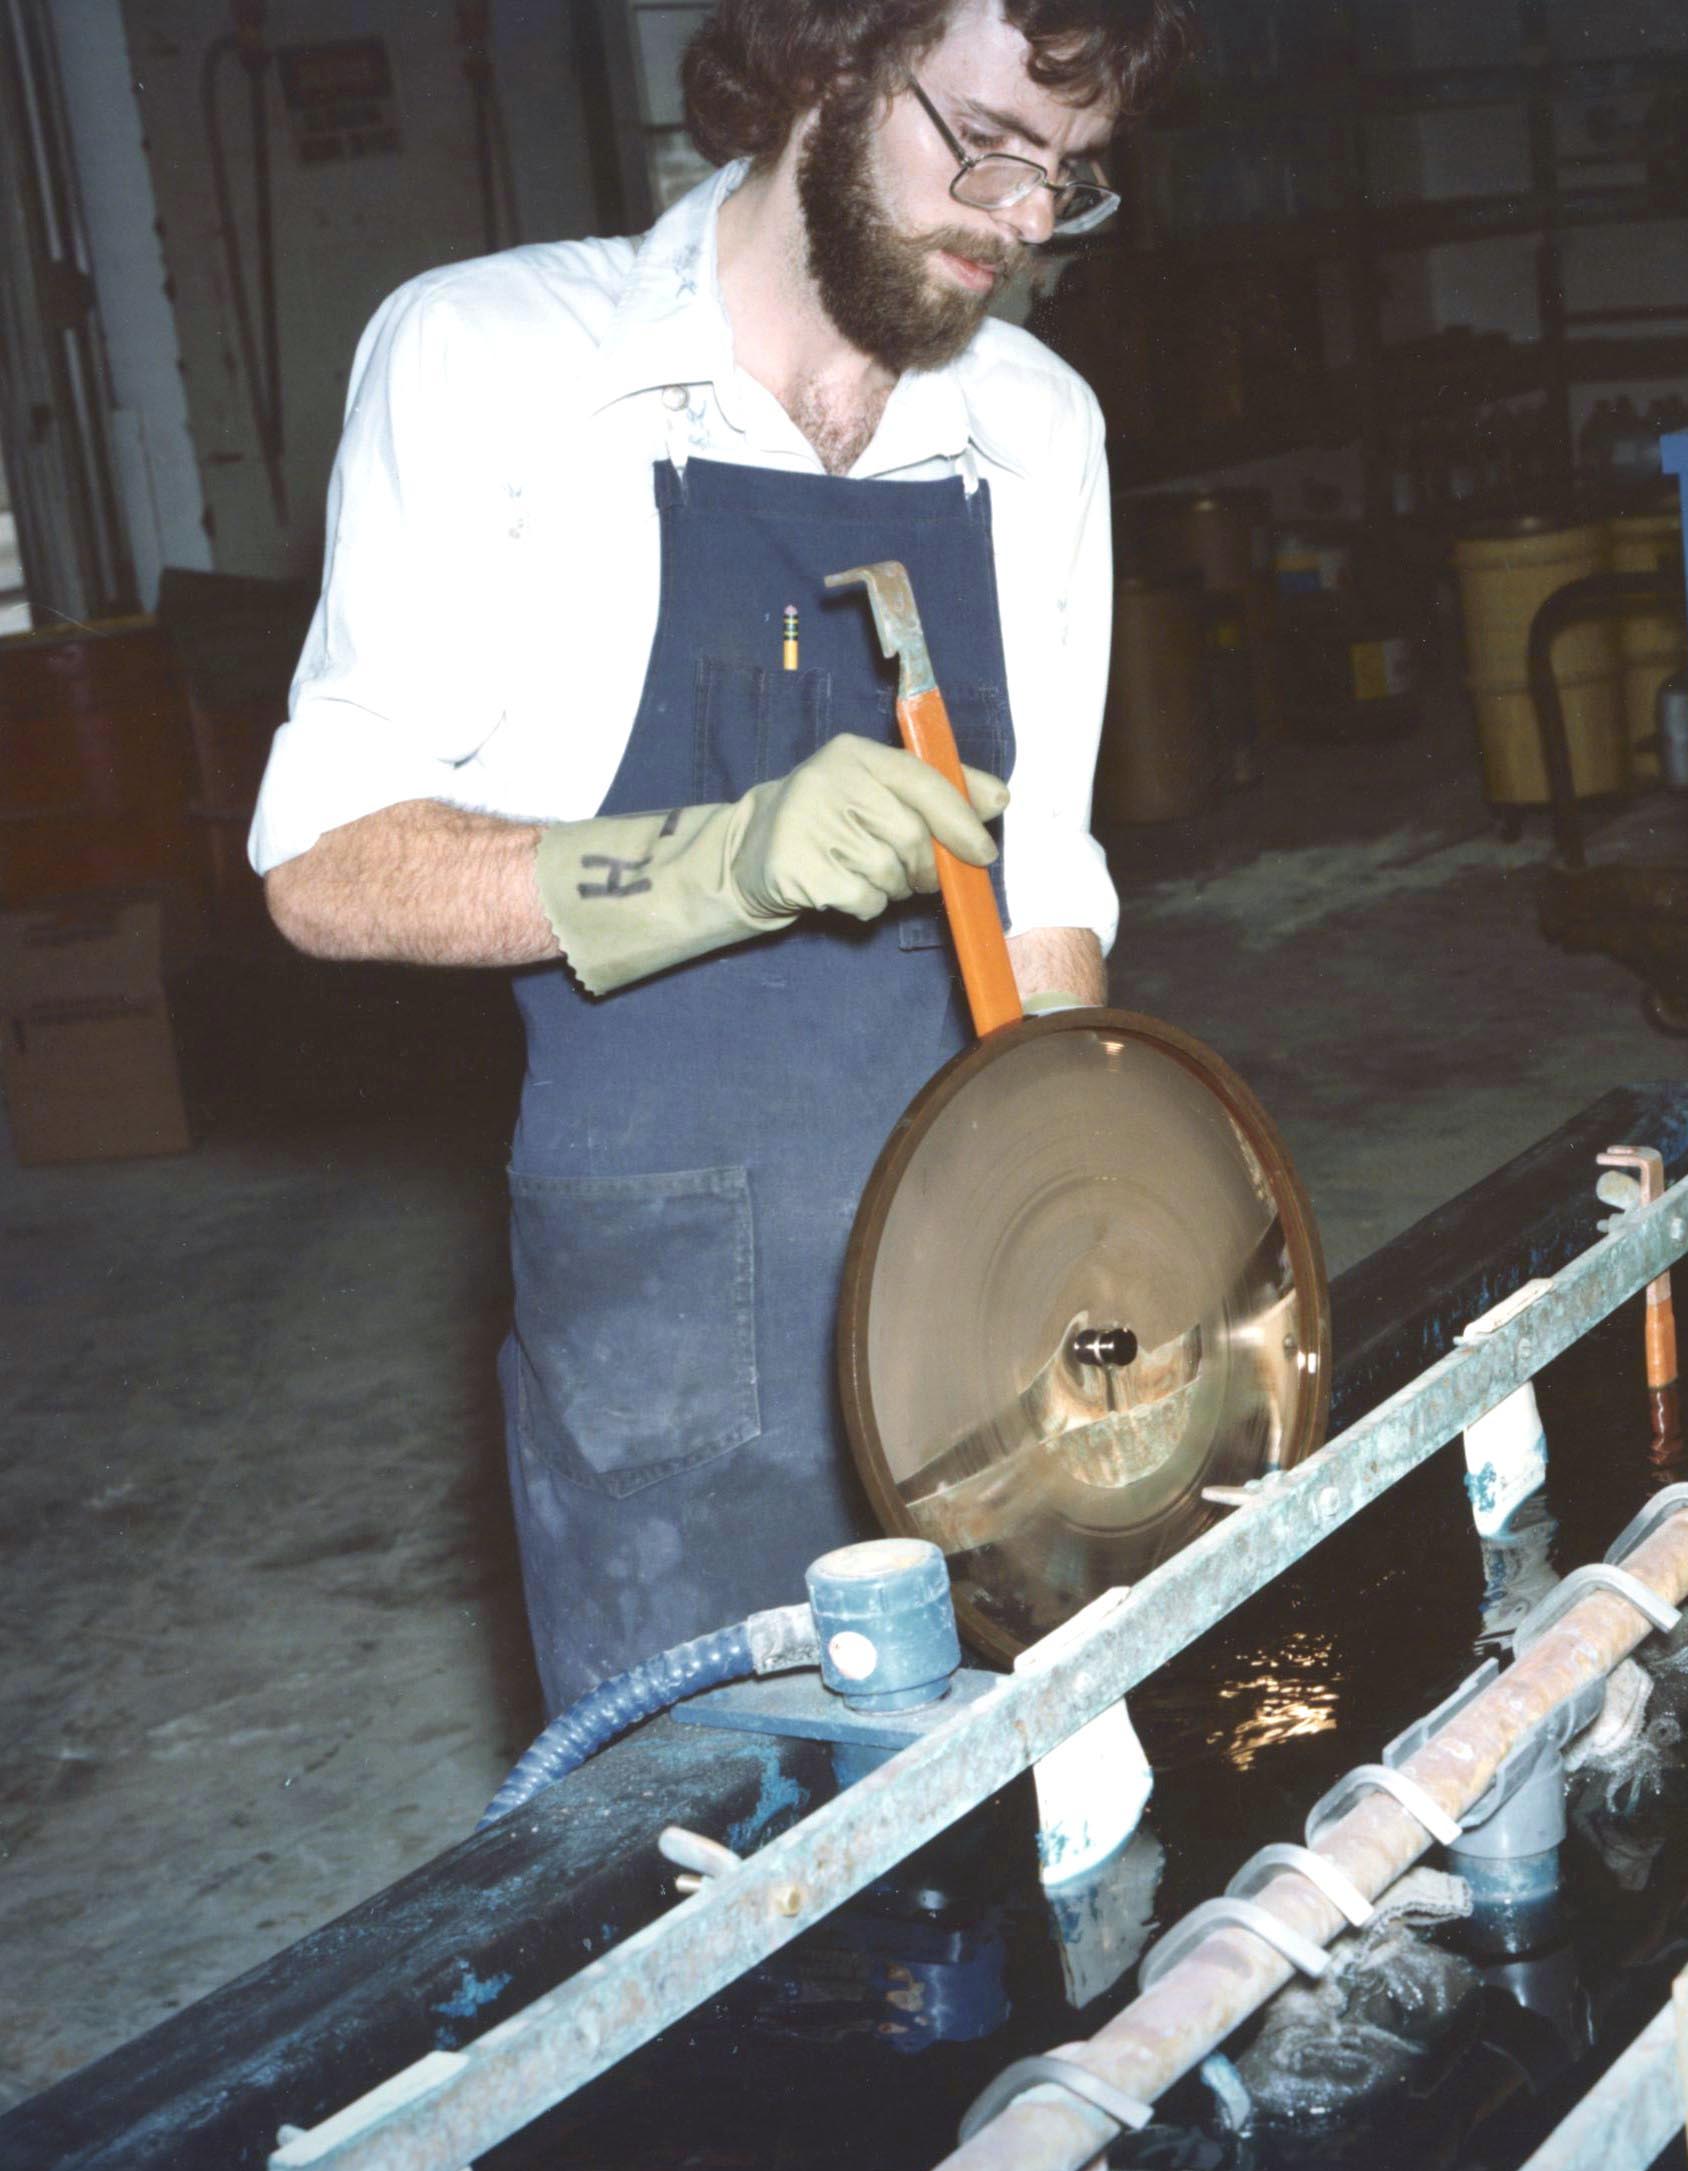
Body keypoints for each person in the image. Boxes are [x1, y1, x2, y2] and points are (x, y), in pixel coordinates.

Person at [248, 0, 1193, 1712]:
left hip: (963, 1257)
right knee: (696, 1847)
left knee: (1013, 1830)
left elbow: (1043, 882)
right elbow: (323, 865)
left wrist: (1088, 1209)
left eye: (1073, 176)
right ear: (827, 68)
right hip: (663, 1281)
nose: (1026, 218)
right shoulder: (500, 360)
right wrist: (720, 862)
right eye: (986, 143)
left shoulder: (1038, 426)